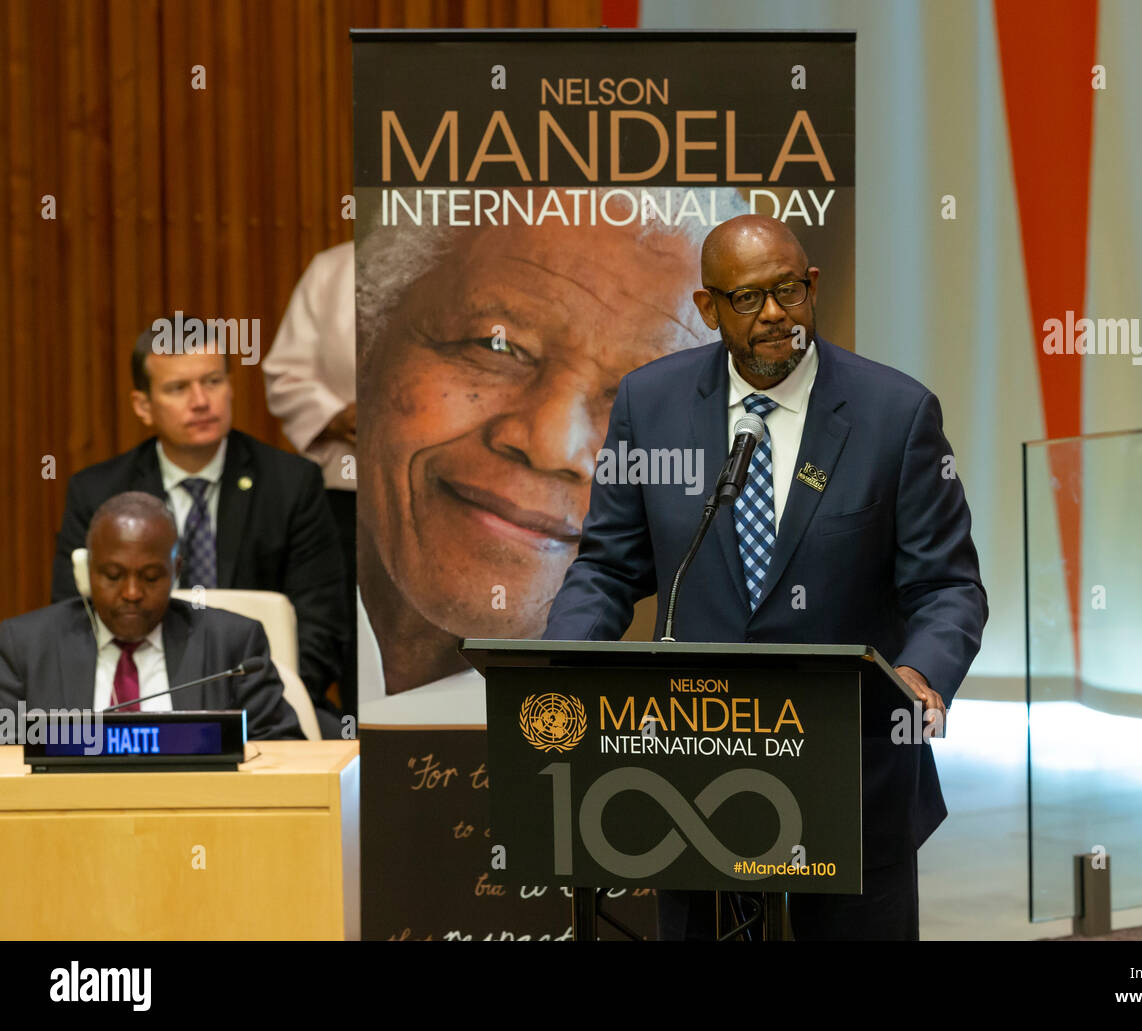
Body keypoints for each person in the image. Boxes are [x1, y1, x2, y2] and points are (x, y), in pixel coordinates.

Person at [542, 214, 988, 940]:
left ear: (813, 287)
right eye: (749, 298)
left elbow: (948, 587)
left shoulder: (894, 414)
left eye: (790, 290)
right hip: (688, 778)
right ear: (708, 309)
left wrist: (922, 674)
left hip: (852, 781)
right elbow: (608, 566)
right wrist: (561, 667)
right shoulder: (649, 407)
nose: (776, 312)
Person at [355, 195, 747, 722]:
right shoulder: (234, 655)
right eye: (497, 347)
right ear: (368, 343)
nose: (550, 446)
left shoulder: (700, 739)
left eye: (640, 397)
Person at [49, 324, 347, 735]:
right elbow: (75, 614)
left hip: (263, 704)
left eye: (213, 381)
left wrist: (253, 700)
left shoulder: (291, 484)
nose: (201, 401)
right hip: (132, 700)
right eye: (178, 388)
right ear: (143, 405)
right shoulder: (98, 493)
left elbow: (322, 625)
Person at [3, 492, 302, 740]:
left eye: (150, 576)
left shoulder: (232, 646)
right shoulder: (24, 648)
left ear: (177, 571)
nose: (131, 592)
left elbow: (284, 751)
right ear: (86, 571)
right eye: (113, 575)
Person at [262, 241, 359, 717]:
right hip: (348, 493)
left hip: (452, 495)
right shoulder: (334, 268)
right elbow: (286, 373)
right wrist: (339, 417)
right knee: (349, 642)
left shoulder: (472, 251)